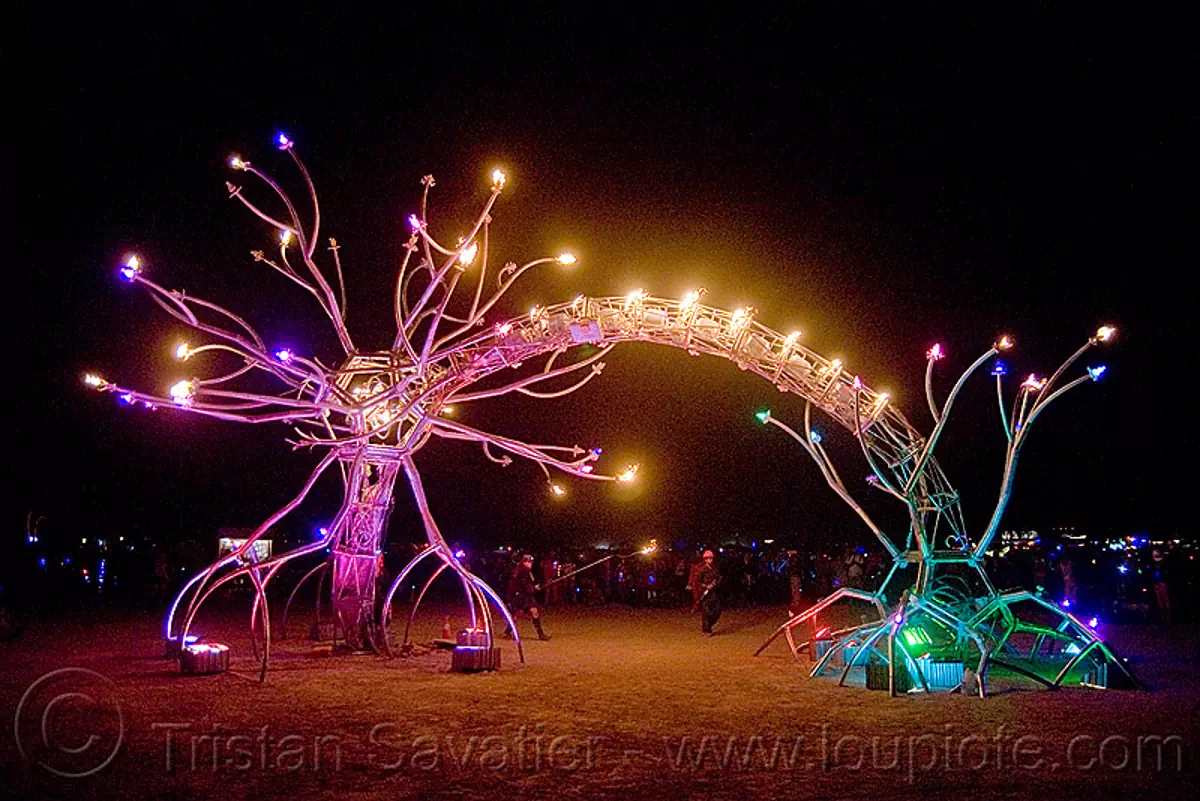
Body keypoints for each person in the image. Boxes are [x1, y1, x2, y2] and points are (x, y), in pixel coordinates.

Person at [504, 554, 550, 640]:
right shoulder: (521, 571)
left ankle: (541, 634)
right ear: (524, 562)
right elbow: (523, 585)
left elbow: (529, 584)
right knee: (517, 615)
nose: (530, 563)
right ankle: (507, 632)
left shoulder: (527, 571)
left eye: (530, 562)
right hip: (521, 596)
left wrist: (534, 587)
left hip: (527, 596)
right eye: (528, 562)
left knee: (534, 611)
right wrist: (533, 588)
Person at [697, 550, 722, 635]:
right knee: (706, 611)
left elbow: (719, 578)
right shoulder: (702, 570)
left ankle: (709, 625)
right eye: (709, 558)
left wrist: (715, 584)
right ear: (705, 560)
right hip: (706, 593)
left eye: (711, 558)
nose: (710, 560)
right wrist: (706, 586)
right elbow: (698, 581)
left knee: (717, 610)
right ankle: (706, 629)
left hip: (714, 592)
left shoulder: (715, 569)